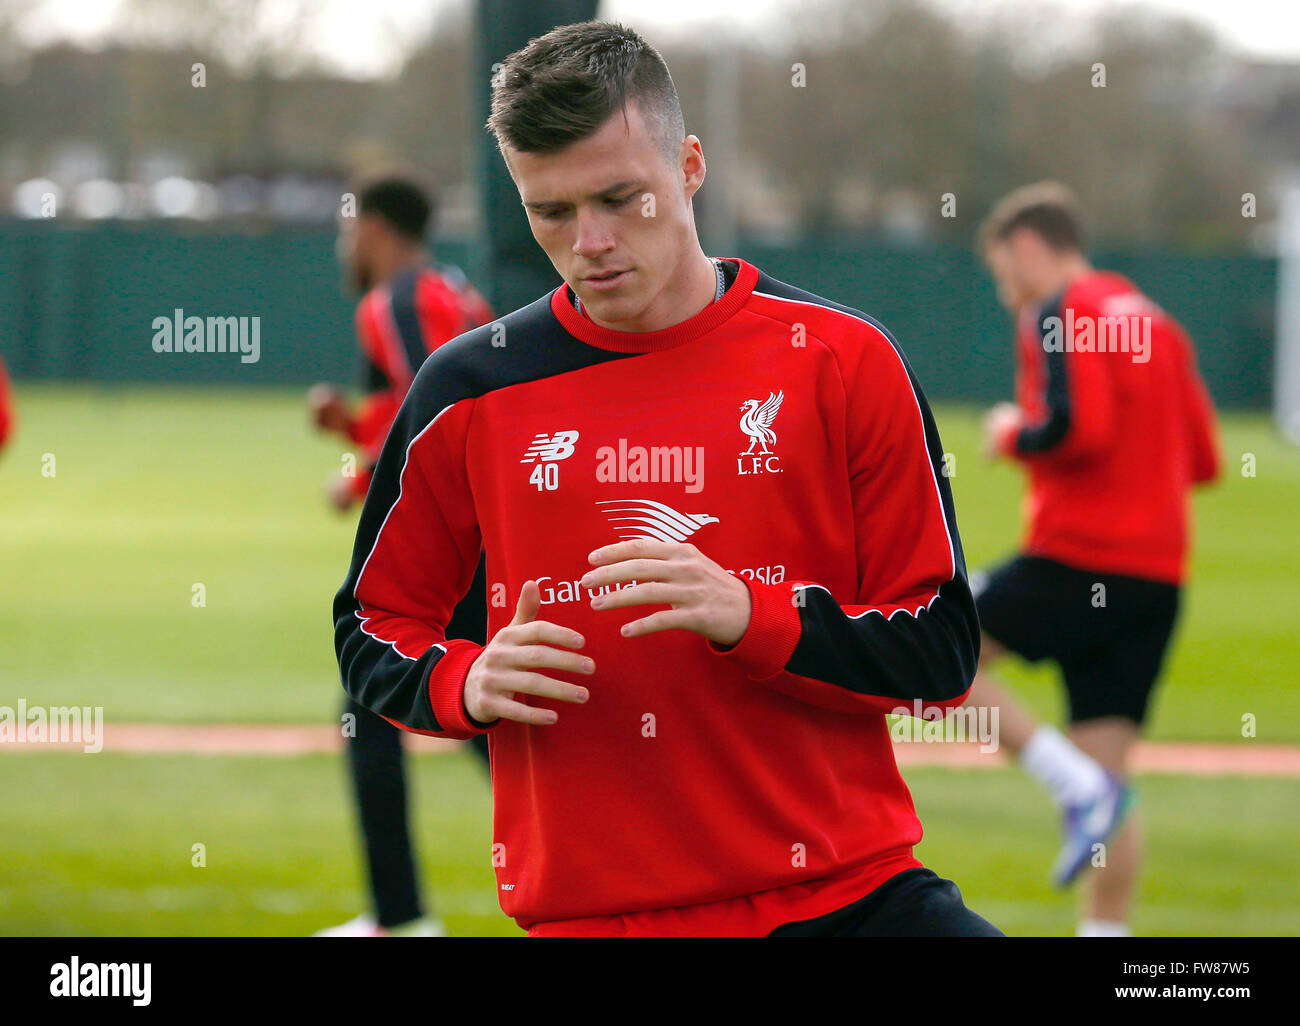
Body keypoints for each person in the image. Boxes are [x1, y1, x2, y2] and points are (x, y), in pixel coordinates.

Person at [333, 21, 1000, 937]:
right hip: (602, 919)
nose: (590, 241)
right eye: (550, 211)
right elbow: (372, 628)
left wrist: (754, 617)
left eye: (619, 197)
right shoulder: (467, 388)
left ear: (689, 165)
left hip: (852, 898)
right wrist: (464, 681)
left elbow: (941, 649)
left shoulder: (843, 360)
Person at [970, 181, 1222, 936]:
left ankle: (1072, 784)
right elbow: (1204, 461)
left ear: (1025, 246)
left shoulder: (1061, 308)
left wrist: (1011, 433)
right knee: (1111, 777)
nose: (1004, 291)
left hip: (1078, 561)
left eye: (1001, 273)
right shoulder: (1157, 322)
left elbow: (1078, 429)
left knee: (932, 648)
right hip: (1156, 580)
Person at [311, 175, 493, 937]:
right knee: (494, 716)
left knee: (374, 707)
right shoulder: (455, 291)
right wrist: (353, 435)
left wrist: (356, 476)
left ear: (380, 228)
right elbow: (416, 412)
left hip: (459, 538)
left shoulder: (395, 300)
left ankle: (400, 917)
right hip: (490, 526)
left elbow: (435, 407)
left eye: (351, 225)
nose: (344, 241)